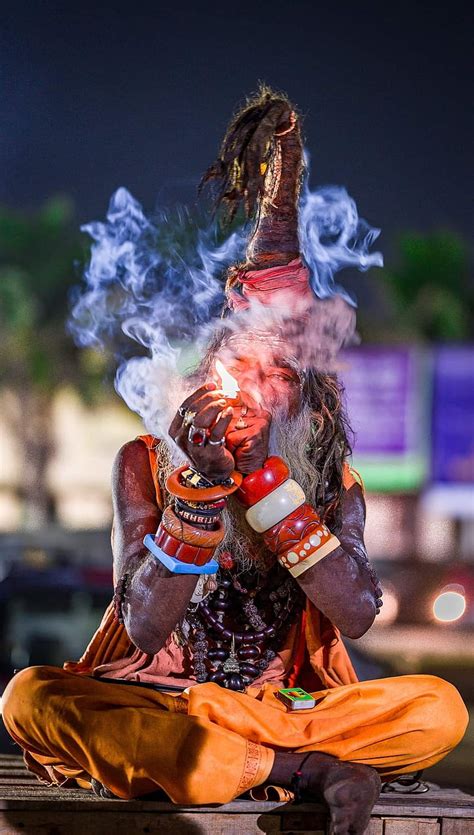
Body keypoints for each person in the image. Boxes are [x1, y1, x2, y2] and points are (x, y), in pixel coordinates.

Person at [1, 88, 468, 835]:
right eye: (239, 363)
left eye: (278, 372)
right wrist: (202, 490)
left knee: (438, 710)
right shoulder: (148, 462)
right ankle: (305, 771)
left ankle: (243, 753)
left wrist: (264, 482)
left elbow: (355, 613)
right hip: (168, 700)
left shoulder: (333, 481)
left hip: (282, 710)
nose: (255, 383)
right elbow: (147, 629)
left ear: (305, 396)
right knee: (29, 696)